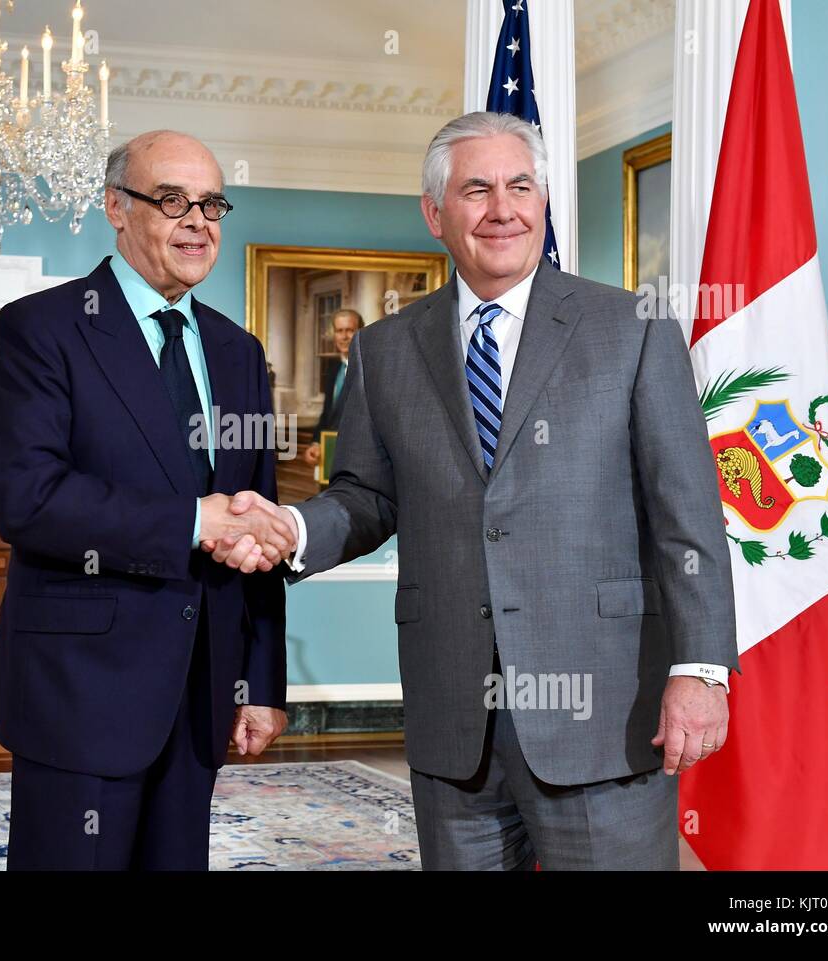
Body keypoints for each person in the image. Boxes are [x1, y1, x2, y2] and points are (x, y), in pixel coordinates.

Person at [206, 112, 738, 870]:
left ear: (543, 200)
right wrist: (292, 527)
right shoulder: (387, 348)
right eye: (477, 189)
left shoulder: (631, 328)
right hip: (454, 723)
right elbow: (368, 496)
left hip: (605, 713)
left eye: (521, 186)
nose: (503, 209)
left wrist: (701, 669)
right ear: (434, 212)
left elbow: (688, 515)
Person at [0, 130, 295, 870]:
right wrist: (194, 520)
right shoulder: (43, 327)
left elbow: (259, 517)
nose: (198, 222)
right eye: (172, 200)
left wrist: (263, 681)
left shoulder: (239, 351)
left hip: (203, 690)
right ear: (116, 208)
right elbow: (27, 498)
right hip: (81, 690)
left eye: (212, 203)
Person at [303, 308, 364, 467]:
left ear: (361, 332)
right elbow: (327, 414)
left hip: (358, 458)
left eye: (350, 330)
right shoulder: (332, 369)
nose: (344, 337)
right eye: (339, 331)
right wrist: (316, 443)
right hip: (329, 456)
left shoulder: (371, 368)